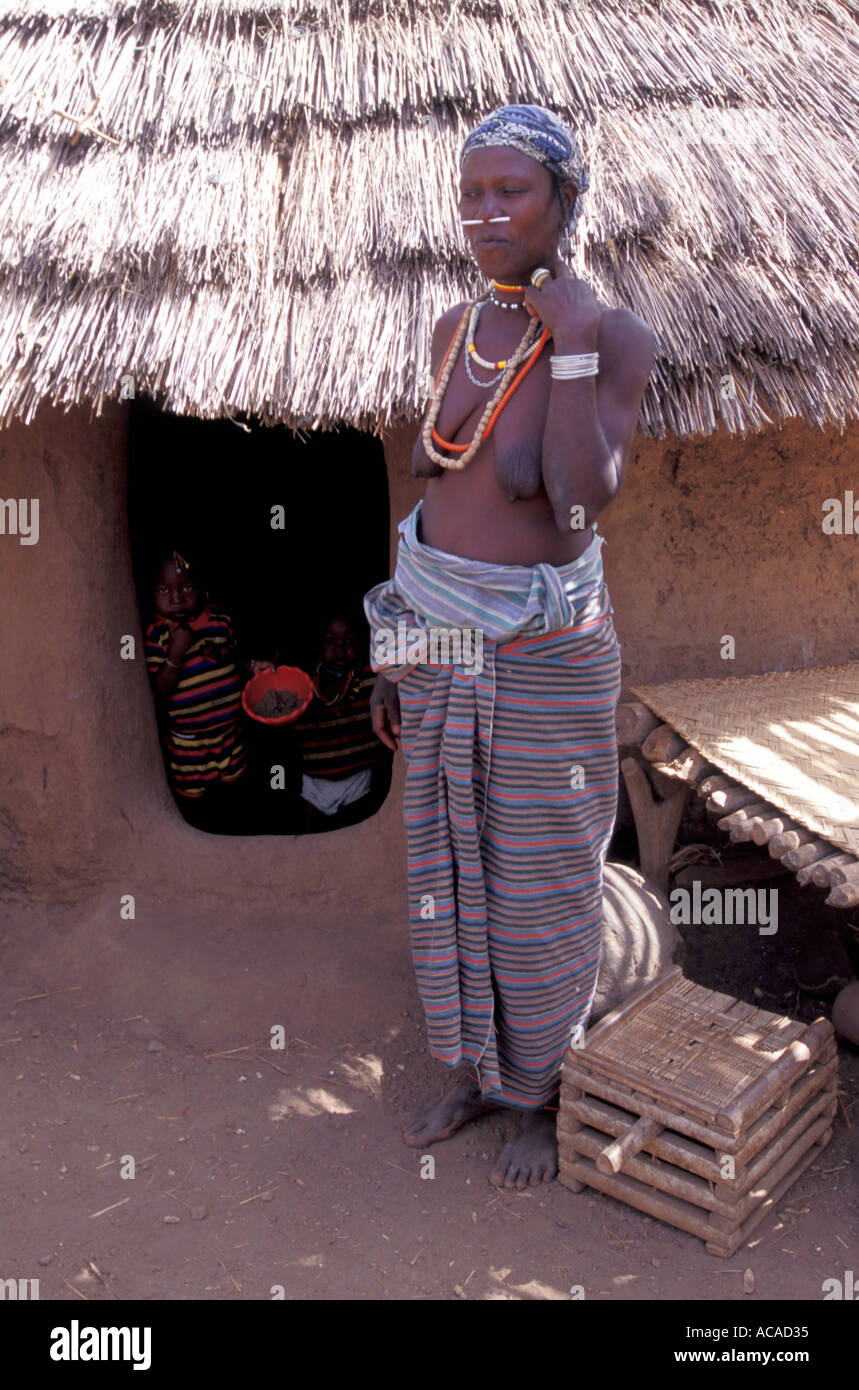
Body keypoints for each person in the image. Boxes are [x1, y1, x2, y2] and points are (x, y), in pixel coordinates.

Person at [363, 105, 655, 1188]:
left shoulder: (614, 336)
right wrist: (403, 650)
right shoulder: (452, 329)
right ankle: (480, 1073)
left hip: (542, 654)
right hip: (439, 637)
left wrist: (572, 345)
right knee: (452, 867)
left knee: (540, 884)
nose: (485, 215)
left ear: (563, 203)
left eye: (511, 193)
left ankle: (547, 1089)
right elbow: (438, 491)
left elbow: (580, 504)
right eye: (471, 194)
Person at [144, 550, 272, 831]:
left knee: (236, 798)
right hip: (189, 746)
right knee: (195, 811)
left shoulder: (219, 620)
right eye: (164, 590)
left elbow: (230, 658)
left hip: (231, 736)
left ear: (200, 587)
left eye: (186, 587)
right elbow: (158, 694)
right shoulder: (155, 635)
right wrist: (176, 654)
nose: (176, 598)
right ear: (151, 593)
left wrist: (251, 664)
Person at [293, 611, 391, 832]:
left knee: (354, 838)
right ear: (318, 645)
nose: (339, 648)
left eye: (349, 641)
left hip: (357, 781)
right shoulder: (304, 683)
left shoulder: (372, 678)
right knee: (309, 840)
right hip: (314, 783)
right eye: (330, 641)